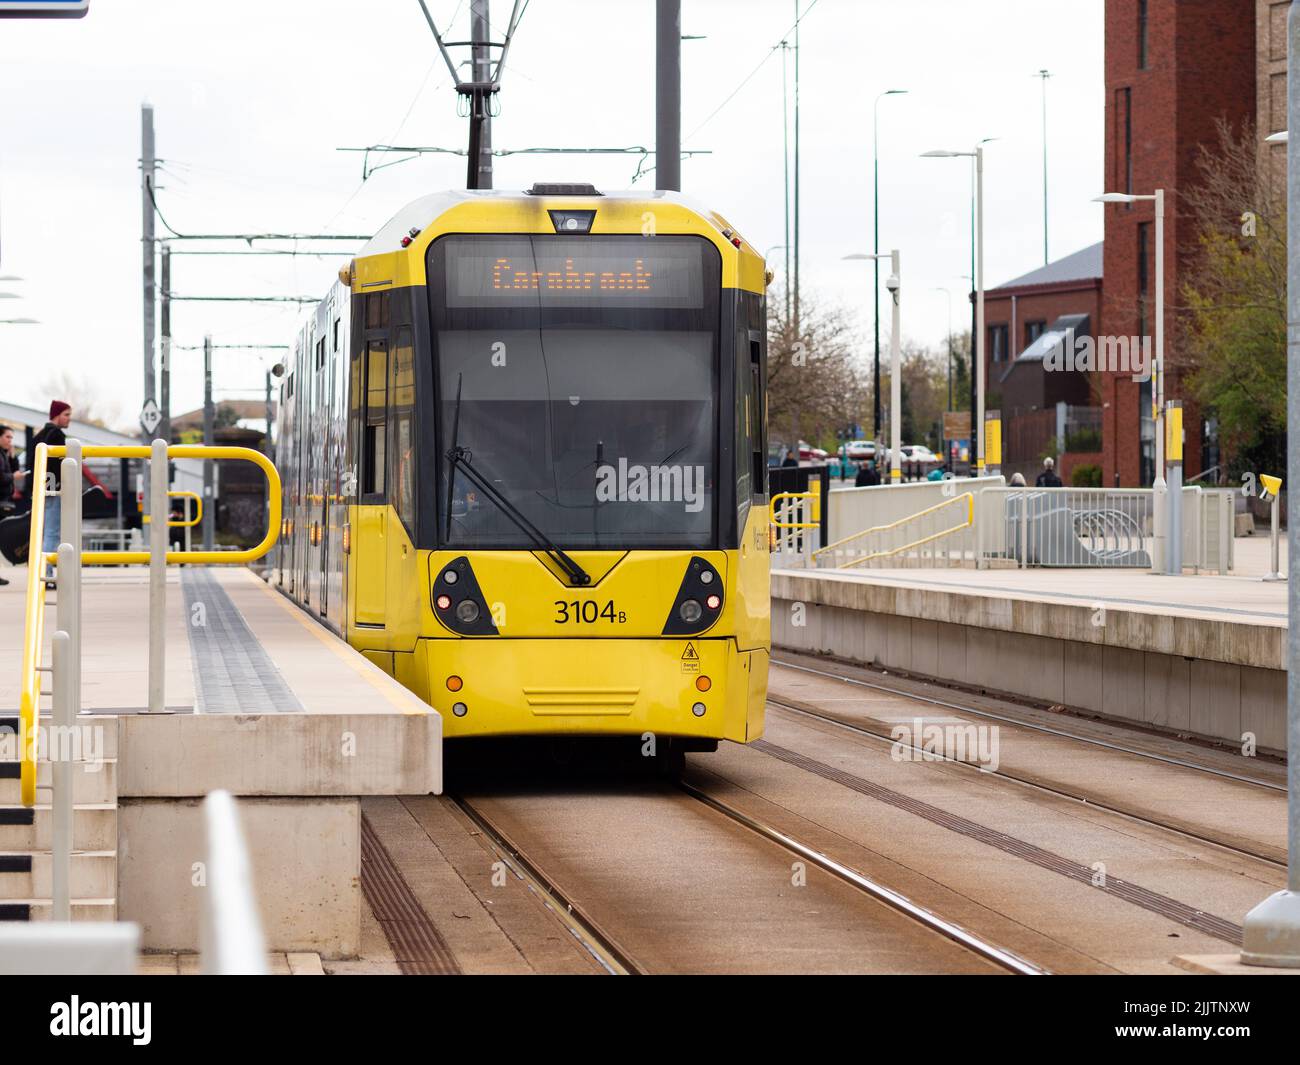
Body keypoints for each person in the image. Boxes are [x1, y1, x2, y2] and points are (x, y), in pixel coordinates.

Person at [28, 401, 72, 586]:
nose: (69, 419)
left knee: (42, 532)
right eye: (66, 414)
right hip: (53, 489)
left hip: (40, 489)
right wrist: (58, 486)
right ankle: (46, 575)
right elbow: (58, 465)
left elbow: (33, 464)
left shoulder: (38, 435)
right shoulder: (57, 435)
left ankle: (40, 571)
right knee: (52, 533)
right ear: (56, 415)